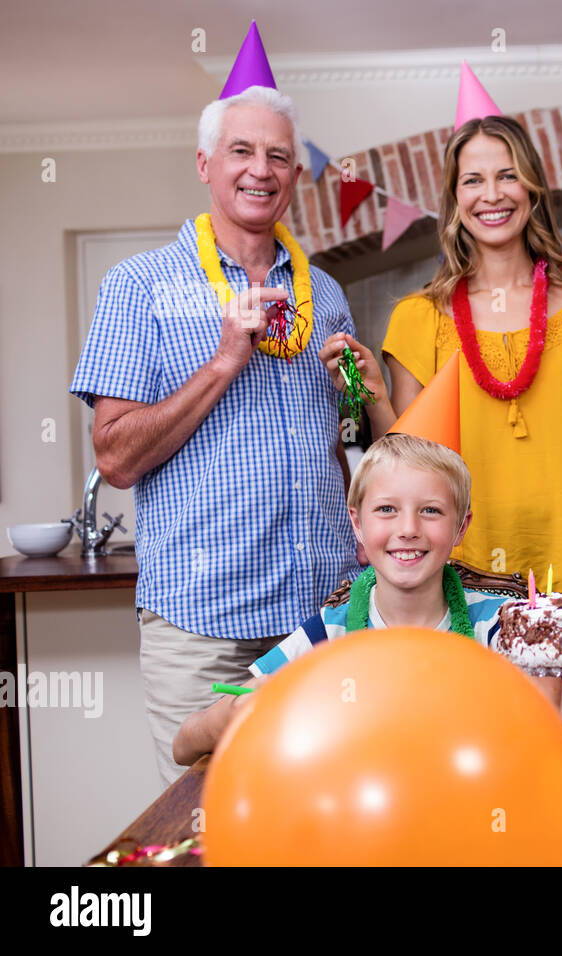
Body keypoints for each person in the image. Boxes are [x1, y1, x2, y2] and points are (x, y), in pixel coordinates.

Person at [69, 50, 359, 785]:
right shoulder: (139, 287)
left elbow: (347, 443)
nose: (260, 169)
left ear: (295, 175)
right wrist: (226, 358)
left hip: (321, 619)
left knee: (325, 816)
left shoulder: (324, 291)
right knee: (209, 829)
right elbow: (116, 458)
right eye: (241, 151)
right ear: (204, 163)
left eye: (278, 156)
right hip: (203, 629)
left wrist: (363, 390)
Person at [340, 97, 562, 579]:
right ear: (455, 198)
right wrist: (371, 393)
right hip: (460, 573)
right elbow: (410, 463)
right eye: (473, 180)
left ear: (532, 189)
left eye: (508, 175)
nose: (492, 194)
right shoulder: (418, 318)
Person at [172, 433, 515, 765]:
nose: (409, 528)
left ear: (461, 526)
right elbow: (183, 746)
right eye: (386, 509)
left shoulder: (500, 628)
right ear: (356, 523)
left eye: (431, 511)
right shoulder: (325, 636)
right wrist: (230, 716)